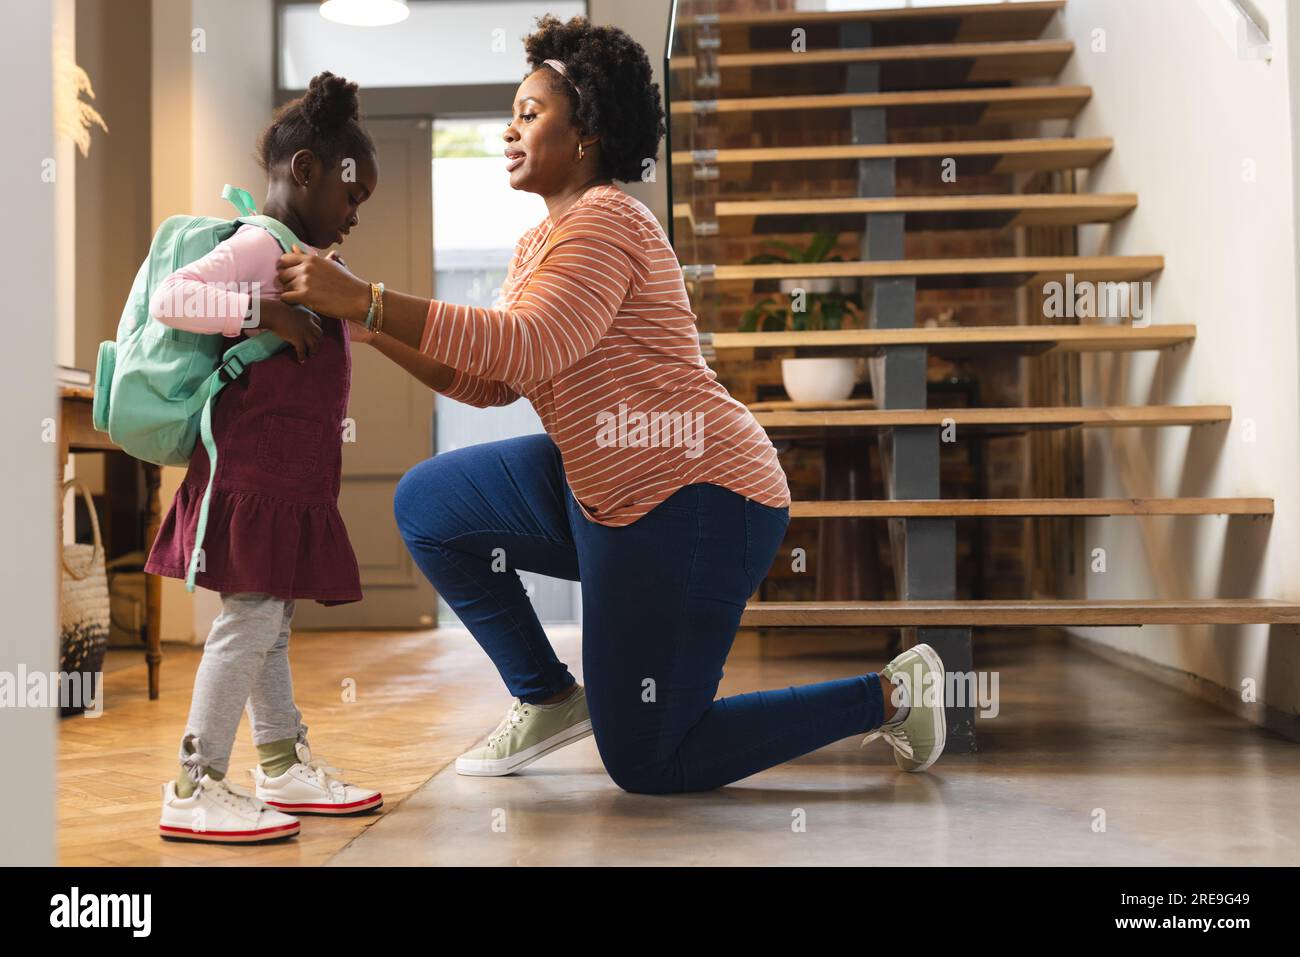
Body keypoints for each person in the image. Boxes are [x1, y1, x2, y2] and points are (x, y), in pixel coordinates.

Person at [277, 16, 947, 794]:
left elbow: (521, 344)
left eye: (531, 112)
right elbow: (491, 381)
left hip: (698, 497)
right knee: (430, 503)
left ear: (587, 128)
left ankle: (893, 693)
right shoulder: (541, 243)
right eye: (514, 113)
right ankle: (549, 697)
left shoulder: (608, 222)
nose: (510, 128)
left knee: (650, 759)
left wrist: (370, 298)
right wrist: (361, 319)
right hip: (603, 485)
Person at [149, 72, 383, 843]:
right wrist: (265, 309)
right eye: (351, 194)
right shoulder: (259, 245)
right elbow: (172, 299)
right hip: (248, 479)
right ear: (307, 169)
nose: (355, 213)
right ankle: (195, 780)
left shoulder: (306, 255)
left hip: (285, 482)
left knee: (270, 619)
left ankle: (280, 763)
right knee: (249, 620)